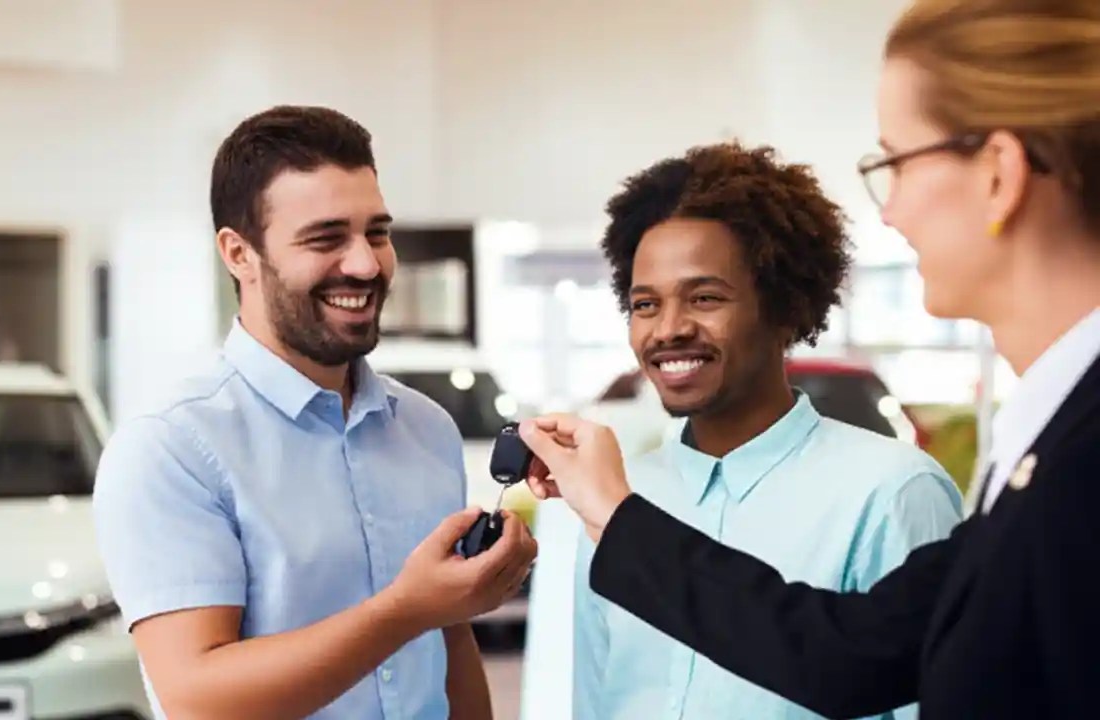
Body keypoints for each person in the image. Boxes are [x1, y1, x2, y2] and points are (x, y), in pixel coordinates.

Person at [517, 0, 1100, 717]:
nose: (889, 213)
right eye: (645, 303)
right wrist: (614, 510)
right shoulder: (1041, 447)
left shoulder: (1059, 459)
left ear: (999, 174)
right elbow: (849, 655)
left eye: (894, 162)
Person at [92, 105, 537, 720]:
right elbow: (199, 699)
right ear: (239, 253)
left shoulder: (427, 429)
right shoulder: (171, 448)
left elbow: (448, 642)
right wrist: (407, 609)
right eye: (326, 238)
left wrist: (440, 608)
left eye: (377, 233)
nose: (365, 264)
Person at [569, 142, 962, 720]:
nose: (669, 329)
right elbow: (596, 700)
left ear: (785, 308)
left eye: (705, 298)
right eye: (645, 304)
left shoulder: (890, 492)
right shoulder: (618, 499)